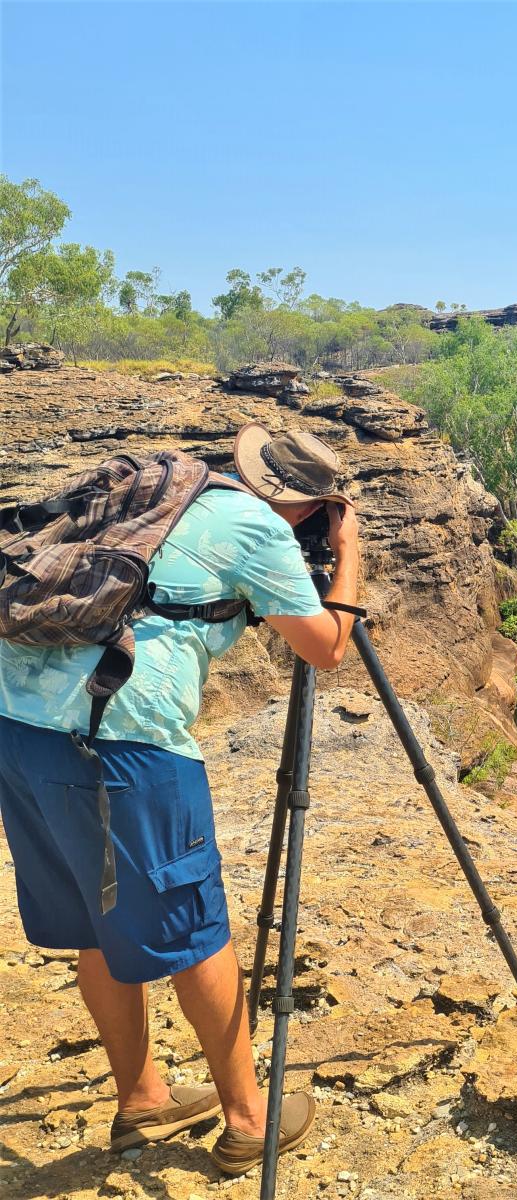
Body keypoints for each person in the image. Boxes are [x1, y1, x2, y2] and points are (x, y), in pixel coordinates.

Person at [0, 423, 360, 1176]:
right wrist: (348, 549)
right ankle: (249, 1121)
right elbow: (325, 646)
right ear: (309, 505)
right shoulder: (258, 528)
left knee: (96, 924)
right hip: (122, 742)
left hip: (19, 729)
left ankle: (143, 1099)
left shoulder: (164, 492)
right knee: (196, 931)